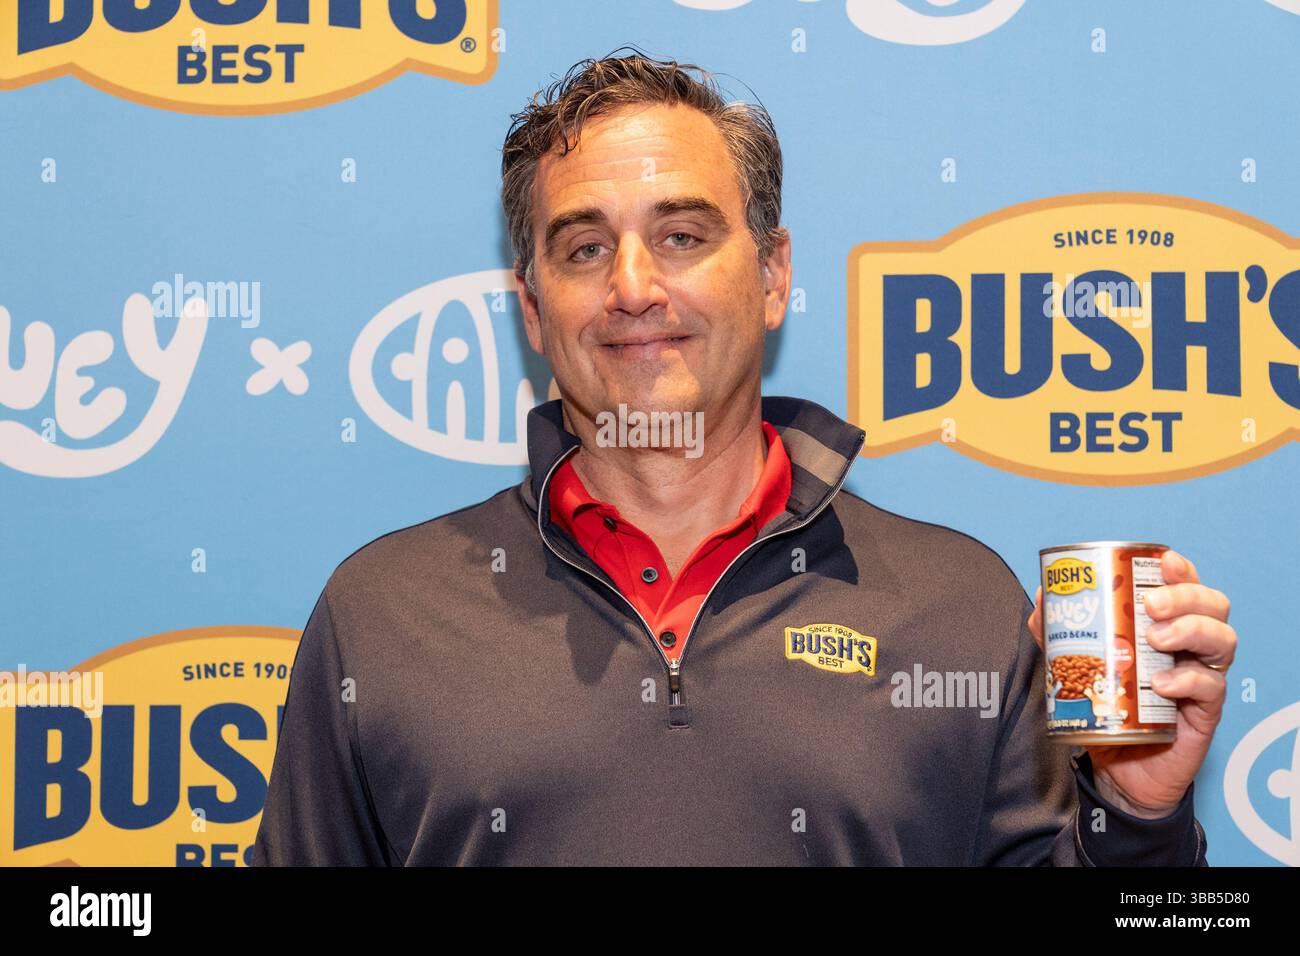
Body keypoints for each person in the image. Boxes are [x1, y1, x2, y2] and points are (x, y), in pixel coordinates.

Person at [251, 49, 1235, 866]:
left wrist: (1139, 816)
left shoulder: (963, 609)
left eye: (680, 235)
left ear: (772, 277)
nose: (633, 287)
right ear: (531, 311)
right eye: (585, 248)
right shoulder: (379, 614)